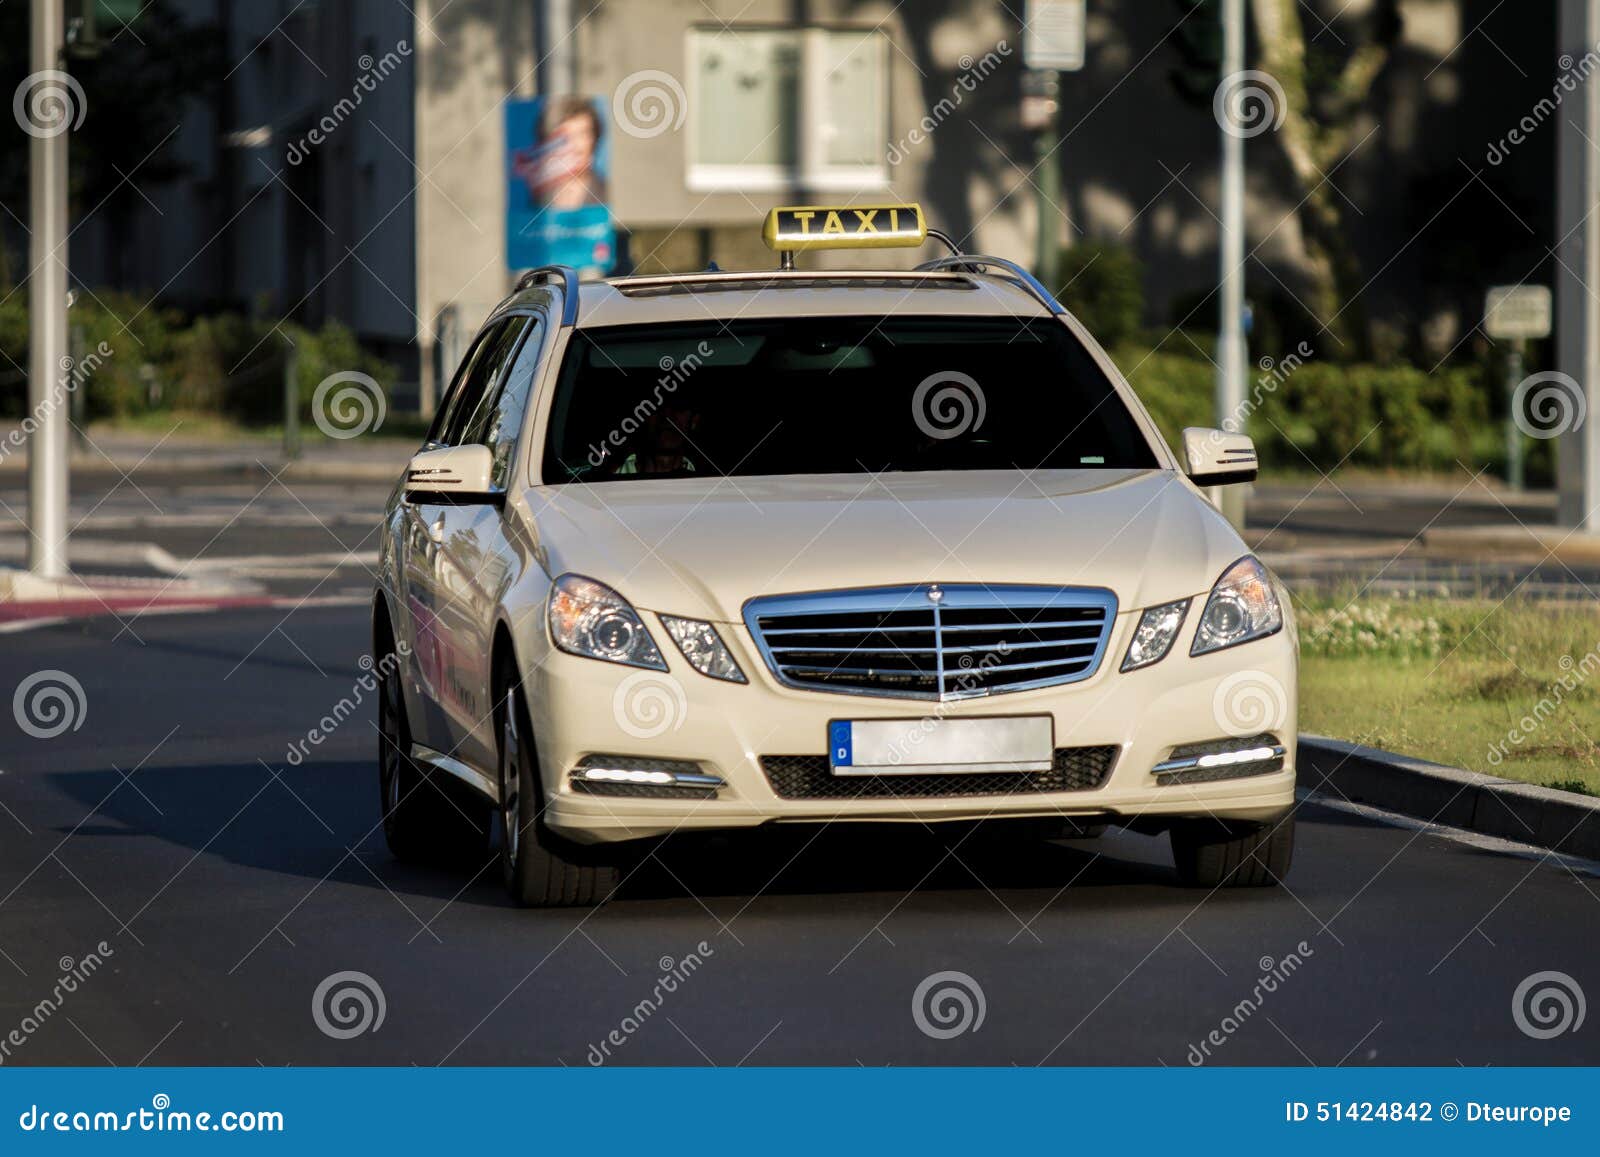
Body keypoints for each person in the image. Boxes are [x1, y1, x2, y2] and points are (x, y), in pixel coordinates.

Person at [512, 97, 607, 211]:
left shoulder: (608, 193)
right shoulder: (530, 200)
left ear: (594, 139)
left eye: (582, 134)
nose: (575, 146)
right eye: (564, 138)